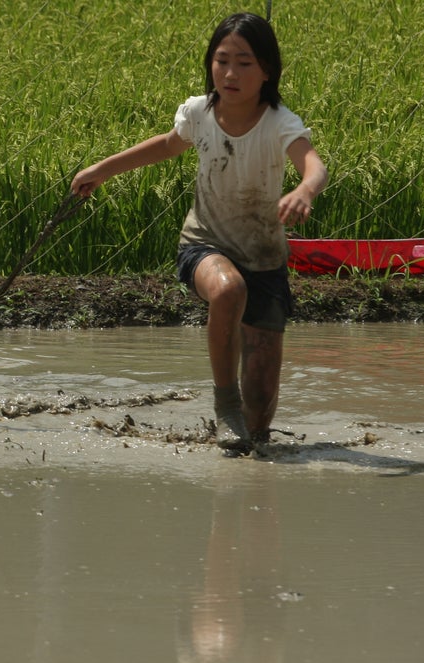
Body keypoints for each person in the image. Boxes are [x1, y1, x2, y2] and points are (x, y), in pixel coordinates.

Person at [70, 12, 327, 452]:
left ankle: (249, 462)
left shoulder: (279, 121)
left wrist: (304, 189)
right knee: (226, 291)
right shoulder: (200, 113)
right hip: (205, 243)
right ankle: (224, 402)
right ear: (210, 64)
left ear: (267, 71)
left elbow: (314, 165)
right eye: (222, 60)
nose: (230, 73)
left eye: (245, 63)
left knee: (262, 404)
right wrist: (102, 169)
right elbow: (169, 144)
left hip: (264, 257)